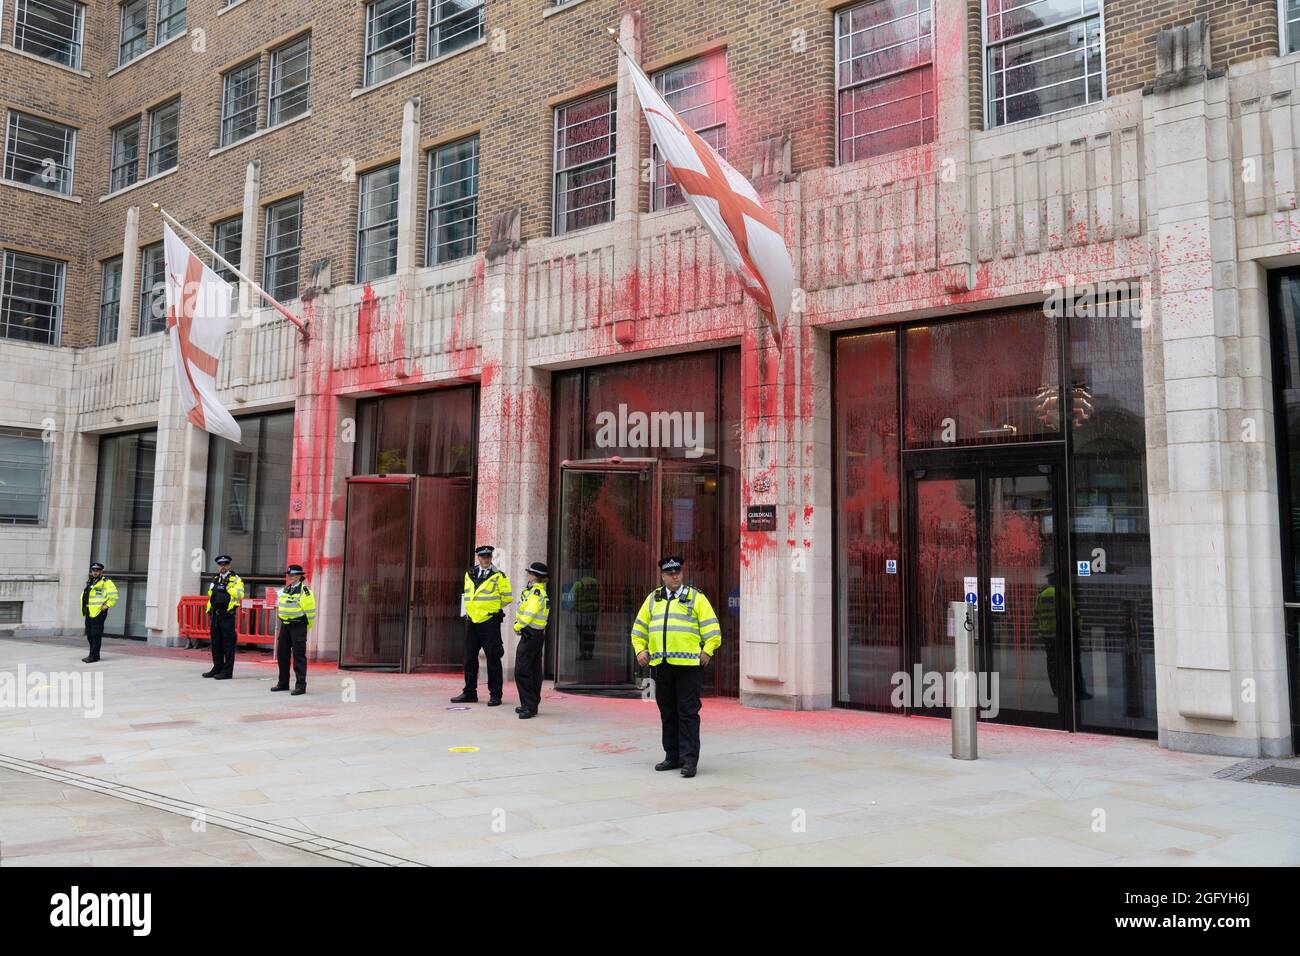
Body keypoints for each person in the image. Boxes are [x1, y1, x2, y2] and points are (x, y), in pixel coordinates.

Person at [630, 556, 722, 778]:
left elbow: (712, 628)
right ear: (662, 576)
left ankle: (689, 760)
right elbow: (639, 628)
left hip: (689, 666)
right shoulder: (654, 599)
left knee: (688, 713)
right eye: (670, 573)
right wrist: (640, 650)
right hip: (661, 665)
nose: (675, 576)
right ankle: (672, 756)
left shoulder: (695, 597)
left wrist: (708, 650)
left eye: (678, 572)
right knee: (667, 712)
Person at [453, 545, 513, 706]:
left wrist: (490, 608)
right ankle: (469, 693)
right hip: (472, 622)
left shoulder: (499, 576)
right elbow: (468, 595)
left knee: (493, 658)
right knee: (470, 659)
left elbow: (507, 598)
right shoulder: (470, 574)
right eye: (483, 557)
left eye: (488, 557)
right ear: (478, 558)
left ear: (491, 558)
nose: (486, 559)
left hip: (489, 622)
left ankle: (495, 695)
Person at [1034, 572, 1092, 701]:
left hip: (1047, 636)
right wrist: (1077, 631)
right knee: (1072, 661)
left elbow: (1036, 616)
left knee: (1052, 662)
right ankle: (1078, 690)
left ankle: (1056, 689)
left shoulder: (1040, 595)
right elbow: (1074, 614)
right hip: (1063, 635)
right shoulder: (1064, 593)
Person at [513, 562, 550, 719]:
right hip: (536, 635)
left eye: (530, 573)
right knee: (534, 670)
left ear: (534, 576)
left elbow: (529, 614)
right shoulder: (537, 592)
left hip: (530, 635)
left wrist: (518, 626)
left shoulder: (535, 593)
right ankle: (531, 703)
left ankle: (529, 705)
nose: (528, 575)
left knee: (522, 670)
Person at [272, 564, 316, 696]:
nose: (289, 577)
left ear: (298, 576)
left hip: (298, 626)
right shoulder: (286, 589)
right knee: (282, 655)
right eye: (288, 575)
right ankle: (283, 683)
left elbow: (310, 612)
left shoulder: (305, 591)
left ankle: (300, 686)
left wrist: (304, 628)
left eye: (292, 575)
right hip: (285, 626)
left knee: (298, 657)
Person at [203, 554, 245, 680]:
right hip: (216, 616)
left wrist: (228, 588)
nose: (223, 567)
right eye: (221, 565)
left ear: (229, 565)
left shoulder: (235, 579)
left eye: (225, 564)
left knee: (228, 644)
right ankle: (217, 667)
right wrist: (209, 610)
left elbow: (240, 595)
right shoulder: (215, 579)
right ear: (218, 566)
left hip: (227, 615)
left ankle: (227, 672)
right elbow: (211, 595)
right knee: (216, 643)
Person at [81, 562, 118, 663]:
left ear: (101, 571)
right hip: (89, 611)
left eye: (97, 570)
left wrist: (107, 605)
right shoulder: (90, 581)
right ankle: (93, 654)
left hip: (98, 612)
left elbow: (114, 595)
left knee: (96, 635)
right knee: (89, 634)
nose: (95, 572)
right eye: (93, 570)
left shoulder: (106, 582)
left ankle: (94, 656)